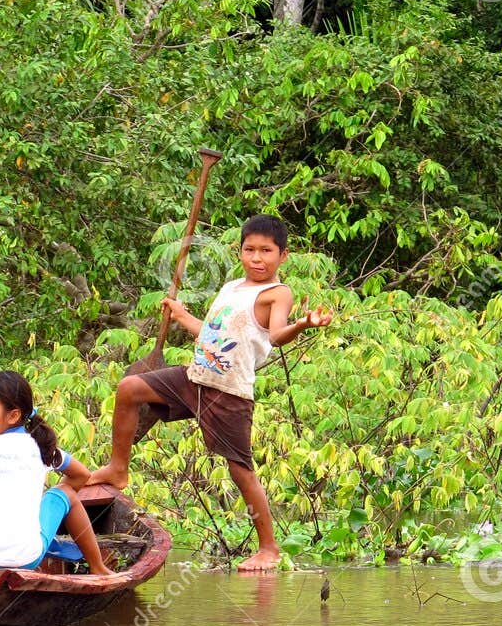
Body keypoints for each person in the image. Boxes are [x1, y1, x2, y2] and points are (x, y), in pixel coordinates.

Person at [88, 214, 333, 573]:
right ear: (240, 252)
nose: (257, 258)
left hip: (229, 392)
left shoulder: (277, 293)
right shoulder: (233, 287)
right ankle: (118, 468)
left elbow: (277, 335)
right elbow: (212, 333)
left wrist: (302, 324)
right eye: (250, 250)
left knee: (240, 470)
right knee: (129, 388)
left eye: (266, 251)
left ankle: (269, 548)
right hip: (194, 378)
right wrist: (182, 315)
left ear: (284, 256)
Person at [0, 370, 115, 576]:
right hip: (24, 559)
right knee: (66, 493)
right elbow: (81, 475)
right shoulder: (41, 446)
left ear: (13, 415)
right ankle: (98, 567)